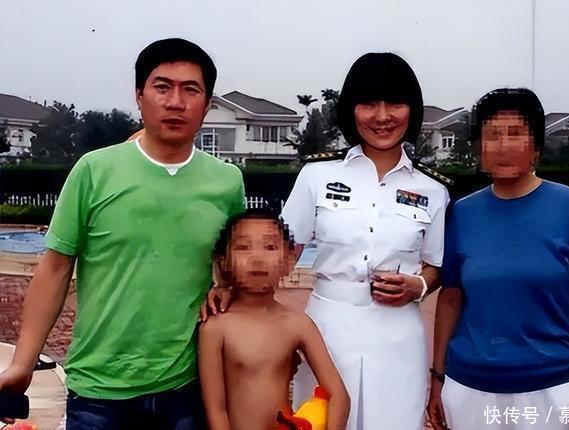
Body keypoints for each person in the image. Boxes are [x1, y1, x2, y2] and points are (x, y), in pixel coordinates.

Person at [0, 38, 245, 429]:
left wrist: (227, 285)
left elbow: (234, 263)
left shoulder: (227, 182)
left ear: (207, 103)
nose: (176, 102)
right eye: (162, 87)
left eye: (190, 90)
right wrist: (22, 364)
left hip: (186, 389)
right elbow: (56, 269)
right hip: (99, 390)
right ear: (139, 95)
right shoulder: (95, 171)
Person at [281, 52, 450, 430]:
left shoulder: (432, 189)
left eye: (395, 103)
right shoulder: (317, 175)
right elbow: (281, 253)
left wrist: (419, 286)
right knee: (321, 420)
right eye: (369, 103)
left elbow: (436, 265)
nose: (382, 116)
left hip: (398, 335)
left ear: (412, 110)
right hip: (326, 330)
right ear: (351, 110)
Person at [427, 88, 569, 430]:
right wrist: (437, 377)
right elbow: (450, 297)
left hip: (553, 385)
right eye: (492, 135)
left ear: (536, 146)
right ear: (479, 148)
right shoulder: (463, 213)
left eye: (515, 133)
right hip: (470, 386)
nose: (503, 145)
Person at [198, 211, 350, 430]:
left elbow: (339, 395)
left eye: (269, 247)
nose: (257, 258)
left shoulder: (298, 325)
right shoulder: (216, 328)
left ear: (288, 261)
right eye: (243, 247)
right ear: (225, 263)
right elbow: (216, 409)